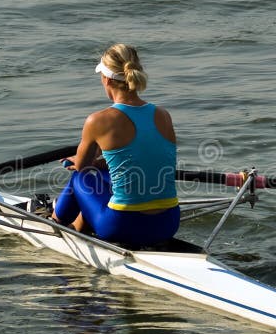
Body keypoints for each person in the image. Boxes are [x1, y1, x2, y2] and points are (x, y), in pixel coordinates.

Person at [51, 43, 180, 247]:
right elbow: (139, 159)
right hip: (168, 223)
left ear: (107, 79)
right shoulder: (163, 115)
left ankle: (56, 223)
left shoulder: (98, 120)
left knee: (80, 177)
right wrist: (100, 163)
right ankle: (80, 223)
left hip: (121, 226)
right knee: (107, 176)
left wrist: (77, 162)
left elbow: (83, 167)